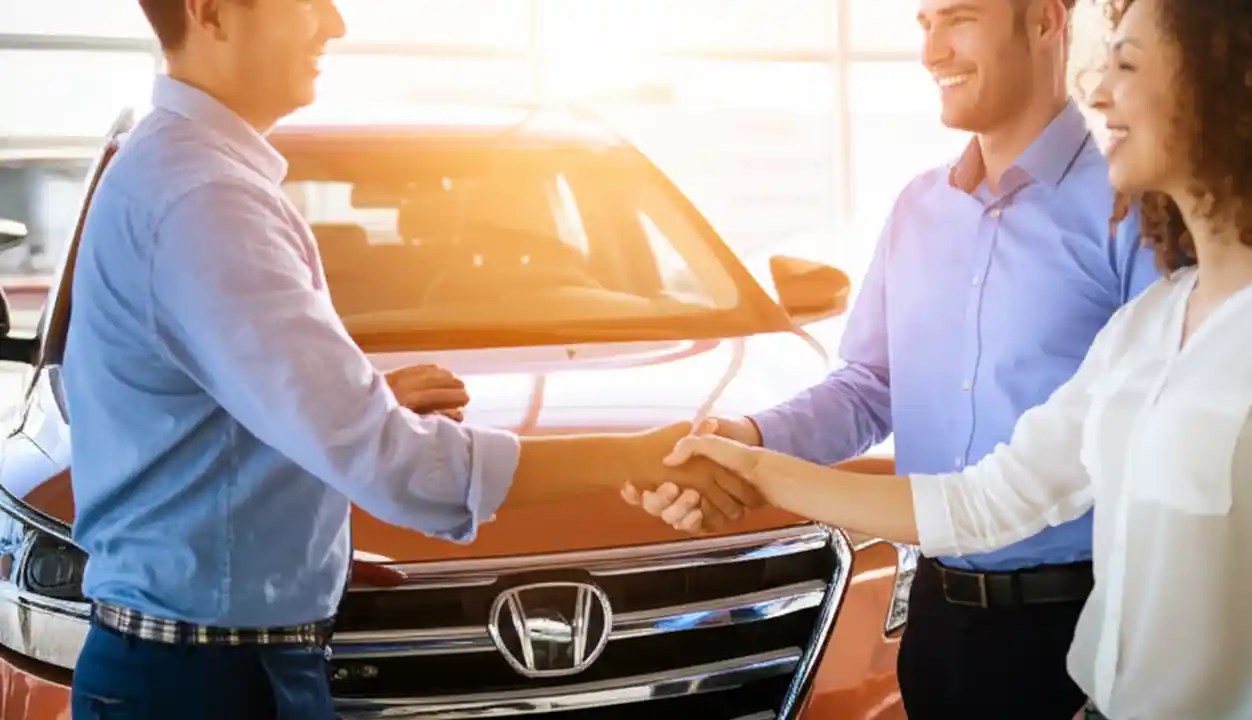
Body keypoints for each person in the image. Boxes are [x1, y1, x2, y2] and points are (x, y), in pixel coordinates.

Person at [61, 1, 758, 718]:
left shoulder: (182, 171)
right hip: (205, 682)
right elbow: (394, 466)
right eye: (307, 2)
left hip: (211, 664)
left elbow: (221, 406)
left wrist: (362, 396)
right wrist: (635, 458)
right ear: (211, 12)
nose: (333, 24)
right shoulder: (205, 199)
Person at [656, 0, 1252, 716]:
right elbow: (961, 478)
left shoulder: (1145, 227)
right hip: (947, 617)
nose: (931, 52)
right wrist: (751, 452)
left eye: (957, 19)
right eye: (923, 24)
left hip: (1066, 611)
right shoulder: (1142, 323)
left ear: (1044, 20)